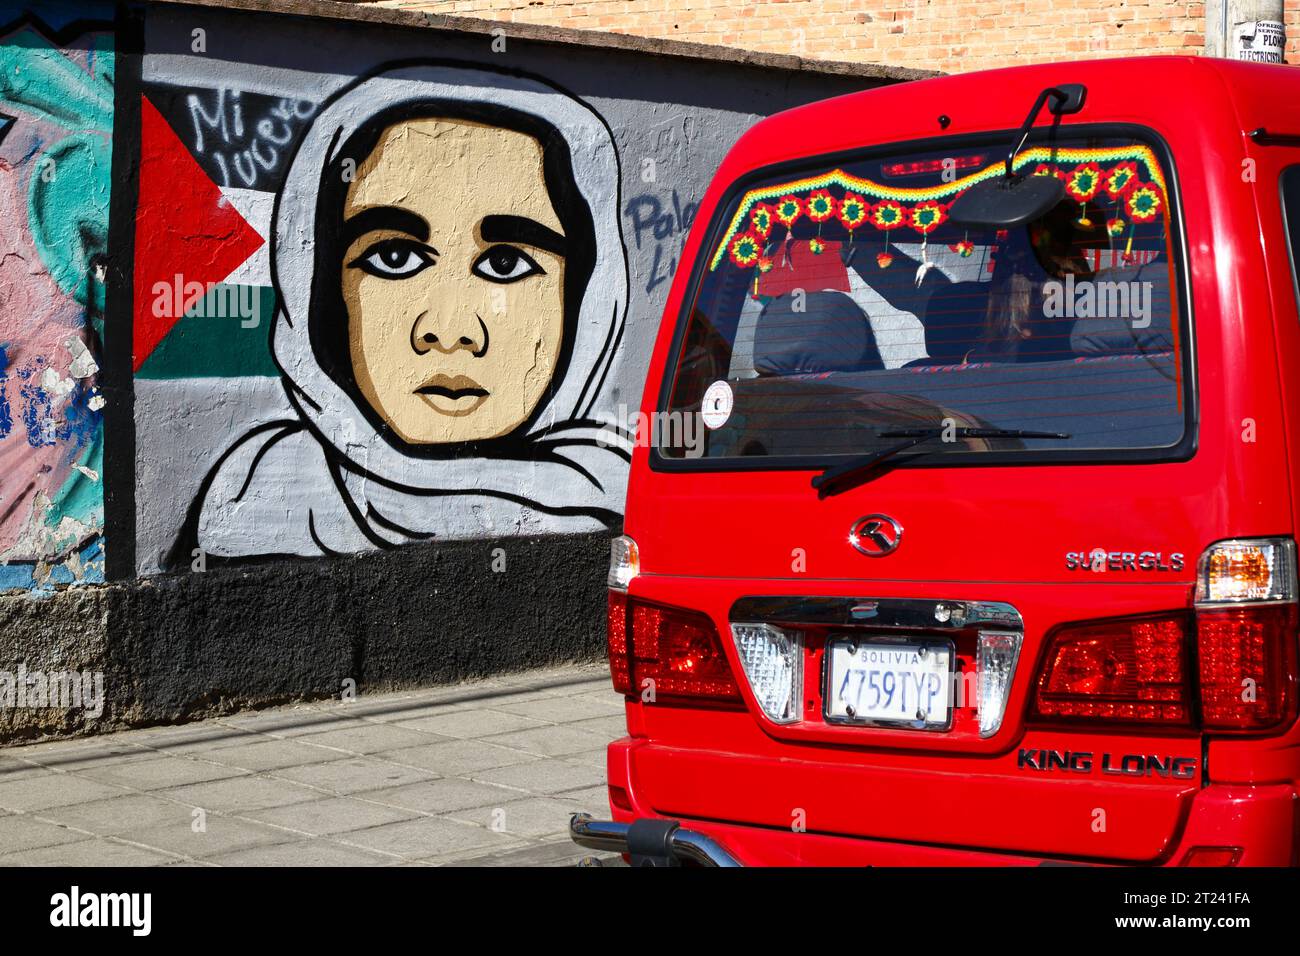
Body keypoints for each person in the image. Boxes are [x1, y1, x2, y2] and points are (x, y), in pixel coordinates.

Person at [170, 62, 630, 565]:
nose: (450, 332)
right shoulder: (250, 503)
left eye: (504, 263)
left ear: (584, 295)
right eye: (394, 258)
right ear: (322, 290)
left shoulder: (621, 500)